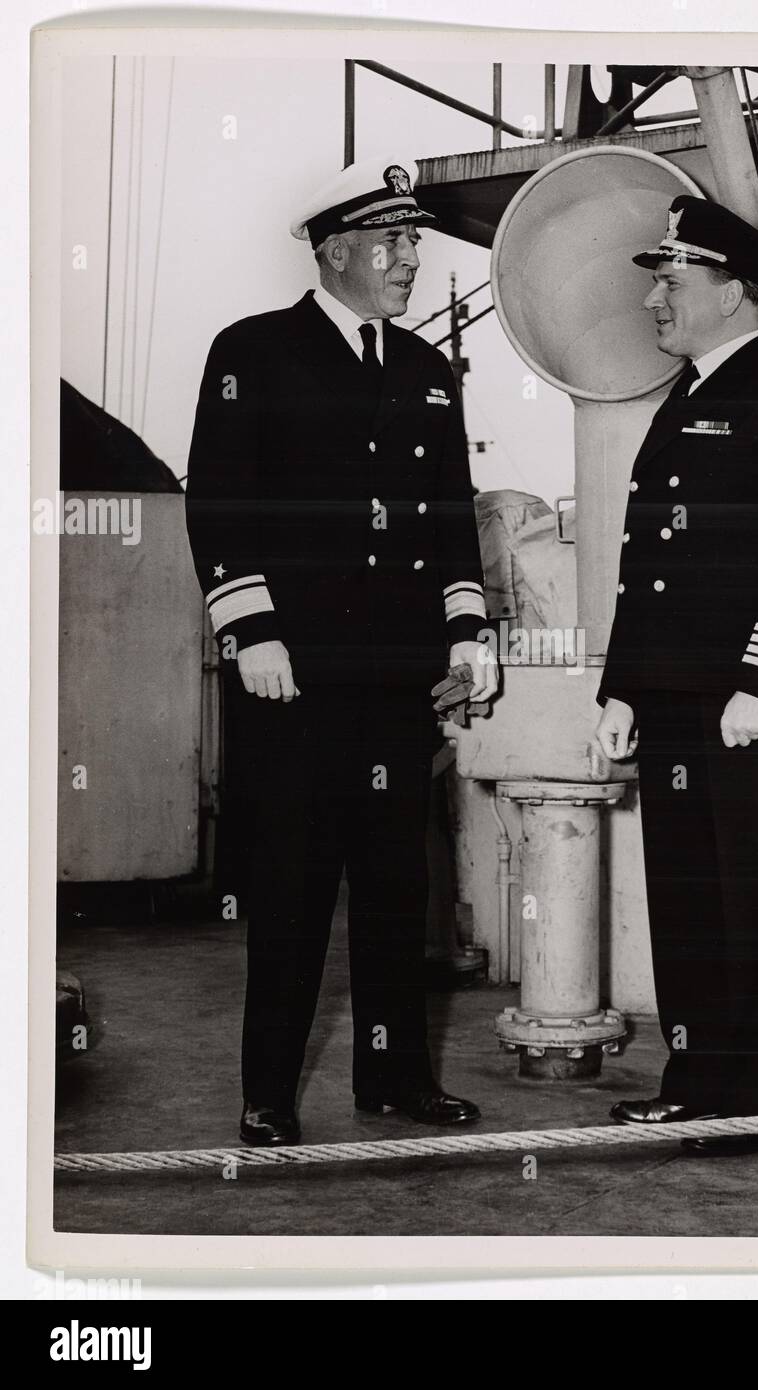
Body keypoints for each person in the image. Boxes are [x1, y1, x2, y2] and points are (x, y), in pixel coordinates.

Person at [184, 154, 497, 1145]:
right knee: (290, 887)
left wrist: (467, 626)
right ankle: (269, 1091)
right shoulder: (255, 352)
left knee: (397, 884)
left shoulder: (426, 372)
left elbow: (451, 515)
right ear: (335, 250)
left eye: (414, 240)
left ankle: (392, 1078)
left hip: (395, 679)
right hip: (293, 678)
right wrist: (251, 626)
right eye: (393, 242)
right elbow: (219, 503)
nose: (412, 258)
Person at [594, 195, 758, 1157]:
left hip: (748, 703)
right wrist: (621, 688)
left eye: (672, 281)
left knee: (755, 898)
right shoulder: (689, 396)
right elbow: (647, 565)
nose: (655, 299)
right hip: (670, 700)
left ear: (736, 292)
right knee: (689, 899)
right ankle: (696, 1082)